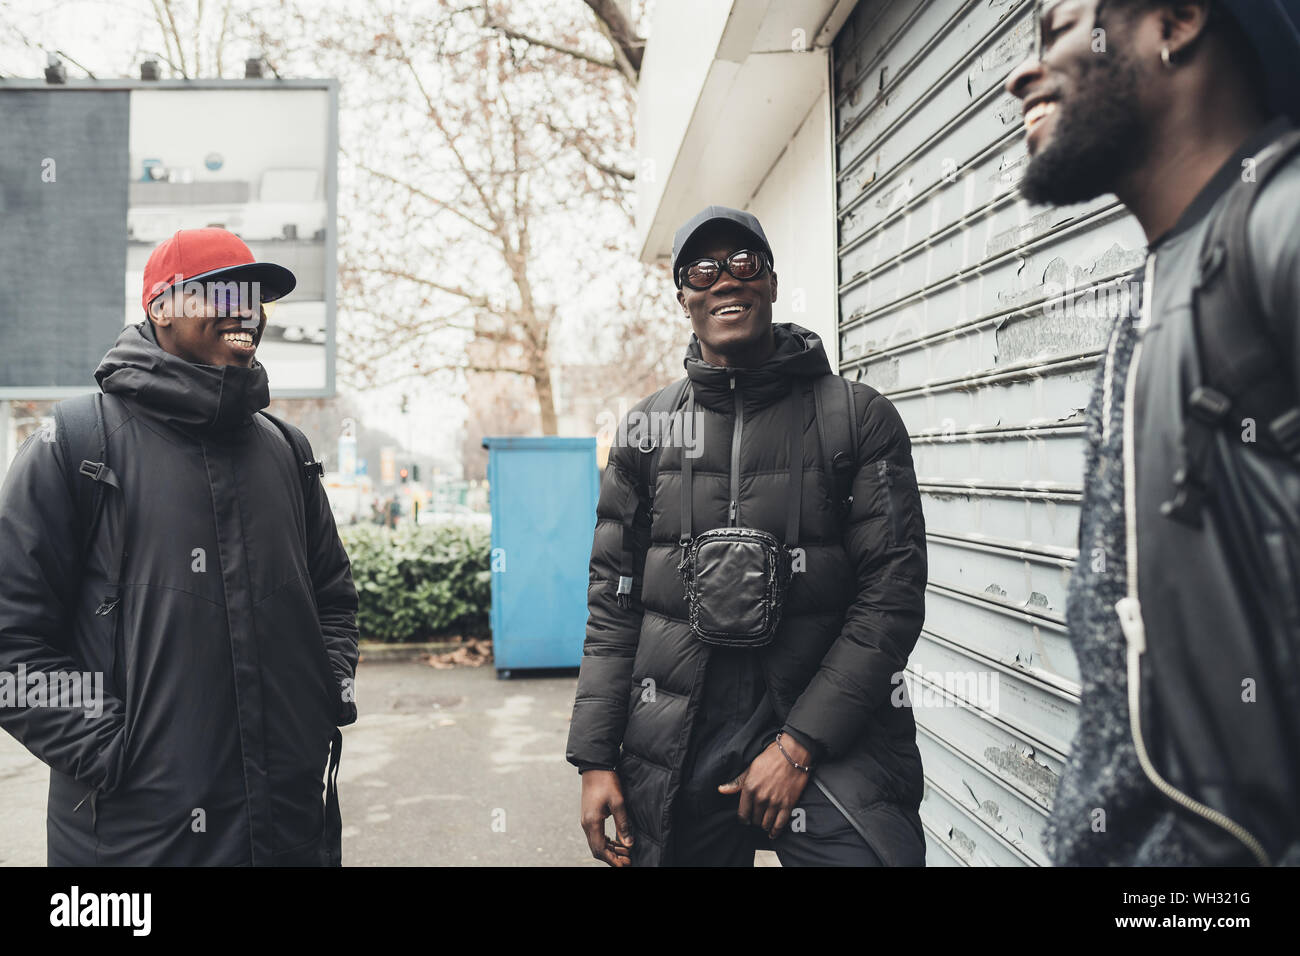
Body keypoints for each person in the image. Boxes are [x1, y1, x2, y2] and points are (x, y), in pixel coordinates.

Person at [1006, 0, 1300, 864]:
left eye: (1058, 27)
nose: (1024, 71)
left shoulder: (1277, 229)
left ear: (1175, 22)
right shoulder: (1164, 282)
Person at [566, 206, 929, 866]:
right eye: (702, 269)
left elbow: (891, 601)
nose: (725, 280)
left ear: (771, 283)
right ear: (682, 296)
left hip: (827, 736)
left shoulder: (856, 418)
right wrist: (594, 756)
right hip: (679, 736)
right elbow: (614, 605)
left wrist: (799, 746)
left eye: (744, 263)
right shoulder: (647, 430)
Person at [0, 227, 359, 865]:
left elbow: (331, 596)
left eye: (259, 300)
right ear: (161, 307)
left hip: (290, 832)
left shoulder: (287, 450)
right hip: (136, 842)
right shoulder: (75, 442)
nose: (248, 311)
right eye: (227, 293)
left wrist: (324, 695)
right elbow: (11, 641)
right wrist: (114, 746)